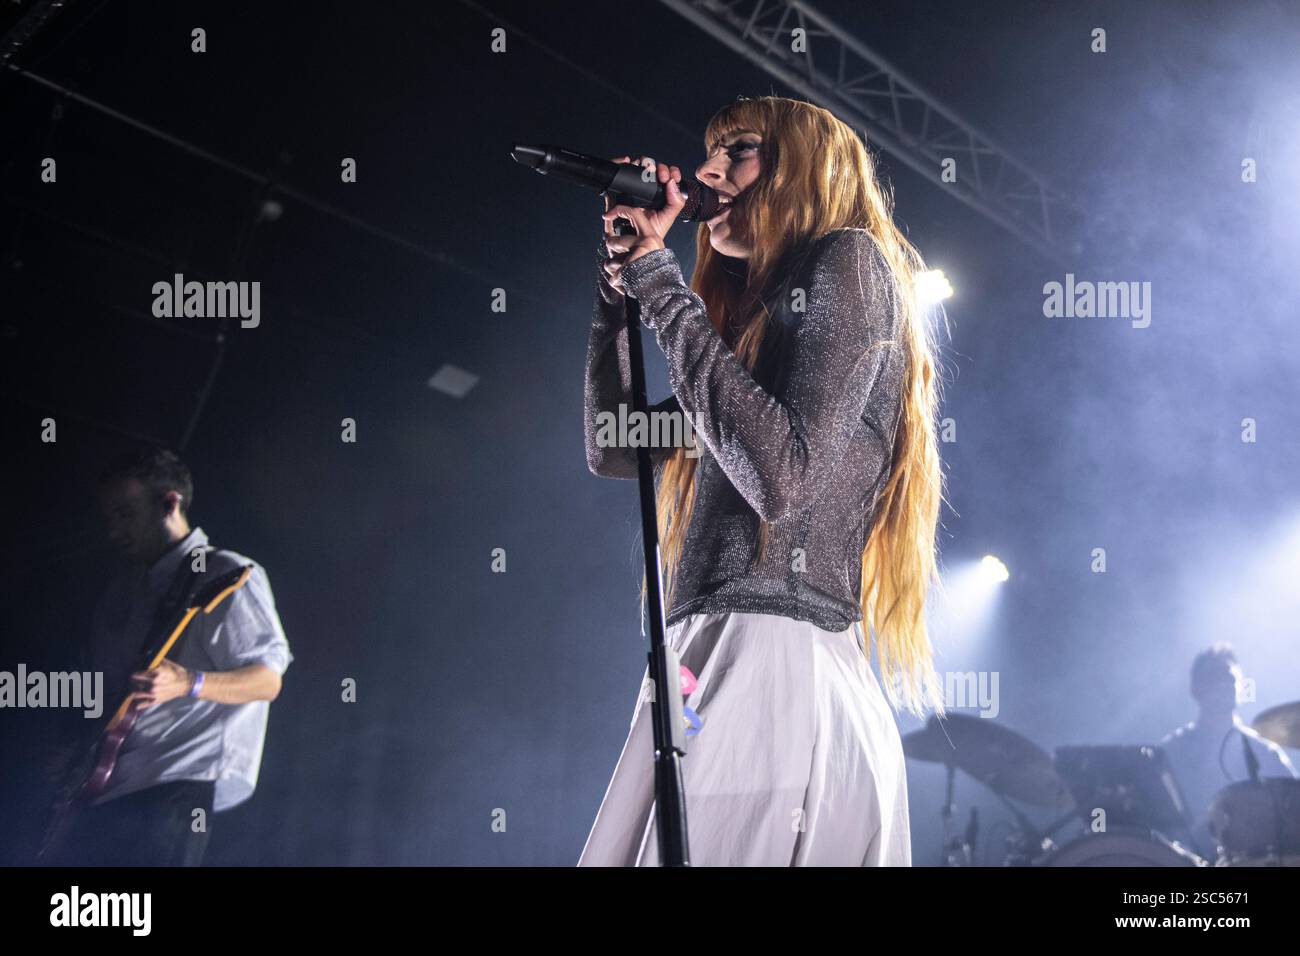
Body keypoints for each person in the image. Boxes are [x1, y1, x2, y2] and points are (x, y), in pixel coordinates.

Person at [578, 95, 946, 866]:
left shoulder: (847, 259)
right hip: (718, 655)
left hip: (775, 654)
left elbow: (781, 479)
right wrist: (617, 300)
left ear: (808, 169)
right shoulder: (753, 337)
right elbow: (619, 448)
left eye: (737, 151)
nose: (707, 172)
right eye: (709, 151)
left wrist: (658, 280)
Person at [44, 449, 292, 866]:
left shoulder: (226, 573)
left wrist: (189, 683)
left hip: (175, 785)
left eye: (125, 513)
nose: (114, 530)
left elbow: (268, 680)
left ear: (170, 502)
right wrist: (73, 754)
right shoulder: (118, 596)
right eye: (109, 518)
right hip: (102, 793)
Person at [1159, 643, 1297, 860]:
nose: (1225, 685)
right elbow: (1153, 821)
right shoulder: (1170, 752)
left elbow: (1294, 813)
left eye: (1231, 679)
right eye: (1215, 679)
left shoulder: (1264, 752)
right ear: (1196, 689)